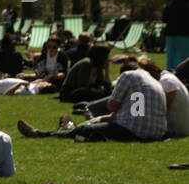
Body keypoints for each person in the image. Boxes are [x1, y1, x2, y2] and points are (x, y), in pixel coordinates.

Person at [19, 60, 166, 142]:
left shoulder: (128, 75)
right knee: (96, 125)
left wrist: (111, 112)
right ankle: (69, 128)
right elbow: (135, 112)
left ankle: (42, 133)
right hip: (155, 132)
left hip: (136, 131)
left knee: (86, 130)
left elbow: (111, 105)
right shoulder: (152, 82)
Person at [164, 0, 189, 72]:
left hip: (170, 34)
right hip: (184, 34)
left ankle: (169, 71)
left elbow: (164, 19)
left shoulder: (169, 7)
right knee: (183, 55)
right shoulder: (187, 7)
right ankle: (182, 72)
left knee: (170, 55)